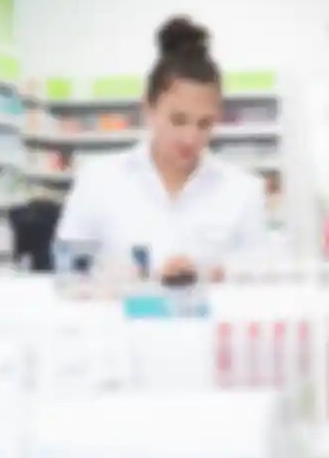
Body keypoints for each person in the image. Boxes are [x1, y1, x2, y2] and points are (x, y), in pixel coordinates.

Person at [55, 16, 267, 281]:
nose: (191, 138)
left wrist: (215, 274)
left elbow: (260, 280)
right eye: (178, 120)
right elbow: (68, 276)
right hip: (119, 322)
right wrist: (141, 278)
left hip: (207, 323)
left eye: (205, 123)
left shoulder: (243, 191)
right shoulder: (98, 180)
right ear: (148, 107)